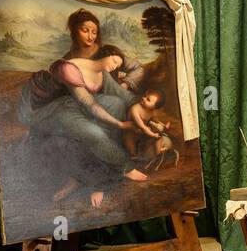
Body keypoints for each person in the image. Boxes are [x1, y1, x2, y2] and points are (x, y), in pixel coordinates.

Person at [18, 43, 158, 209]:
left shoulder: (102, 73)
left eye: (118, 65)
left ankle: (106, 168)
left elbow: (123, 96)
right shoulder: (69, 68)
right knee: (95, 134)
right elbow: (89, 104)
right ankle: (114, 172)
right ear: (105, 54)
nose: (114, 66)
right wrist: (120, 124)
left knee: (116, 103)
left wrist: (148, 112)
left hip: (73, 104)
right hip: (58, 111)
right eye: (114, 60)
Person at [62, 8, 146, 91]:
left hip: (112, 101)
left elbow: (140, 68)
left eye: (94, 32)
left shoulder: (108, 52)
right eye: (85, 30)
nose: (90, 37)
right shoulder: (69, 58)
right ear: (75, 31)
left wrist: (125, 84)